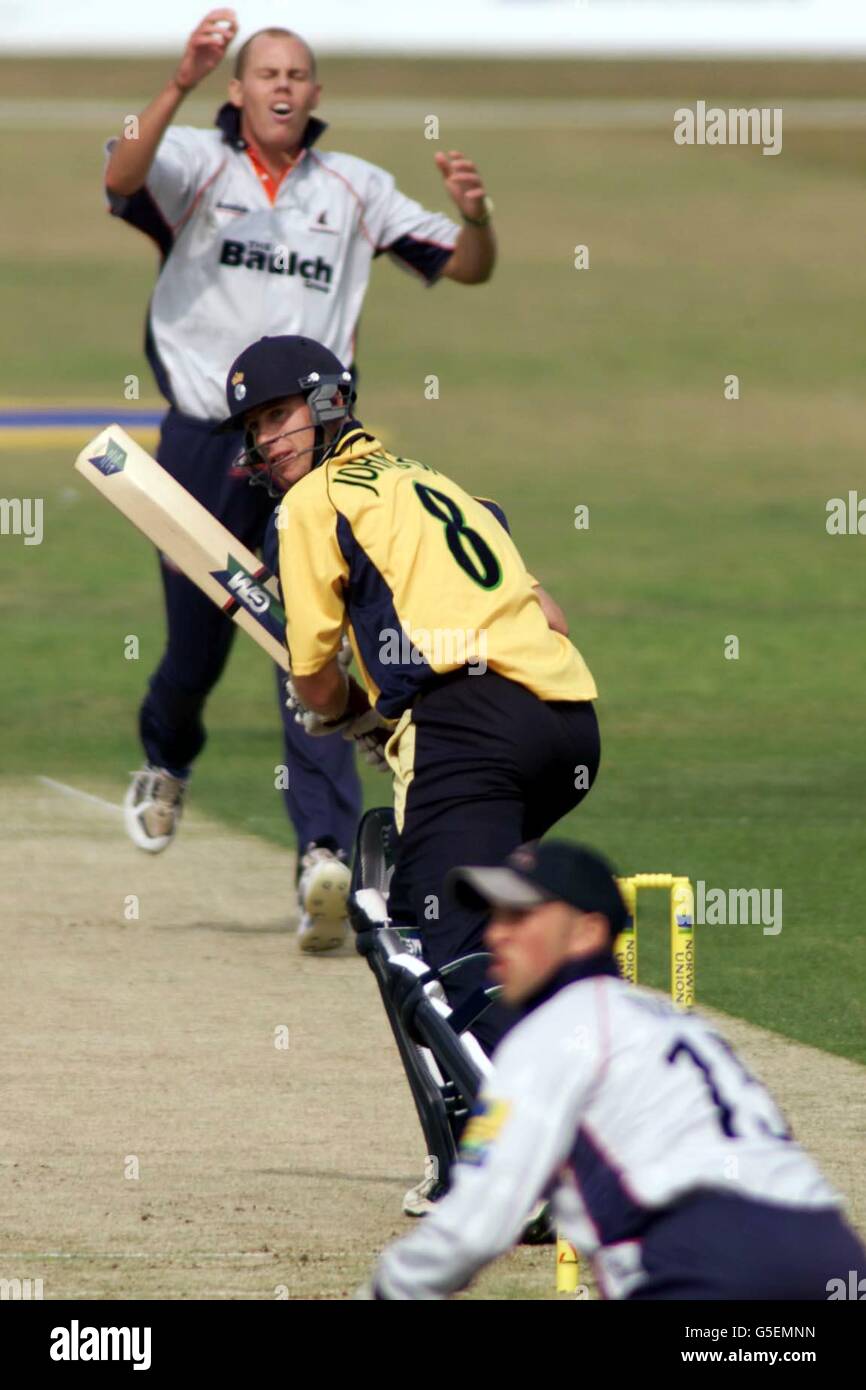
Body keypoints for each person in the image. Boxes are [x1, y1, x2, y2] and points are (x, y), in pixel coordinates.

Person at [103, 12, 496, 952]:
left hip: (313, 454)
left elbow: (468, 268)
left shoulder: (356, 188)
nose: (283, 85)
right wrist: (180, 80)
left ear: (316, 95)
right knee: (195, 655)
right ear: (240, 90)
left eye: (299, 73)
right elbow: (119, 176)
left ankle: (322, 856)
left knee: (306, 645)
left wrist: (477, 214)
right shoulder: (197, 162)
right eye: (266, 72)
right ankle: (167, 757)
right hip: (204, 439)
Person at [217, 333, 600, 1056]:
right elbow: (552, 617)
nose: (267, 440)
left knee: (434, 951)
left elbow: (311, 675)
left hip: (469, 732)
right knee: (499, 934)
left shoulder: (310, 503)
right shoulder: (437, 483)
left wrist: (338, 712)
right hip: (568, 724)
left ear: (328, 401)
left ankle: (518, 1151)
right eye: (256, 426)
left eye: (277, 415)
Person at [362, 840, 866, 1300]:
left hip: (708, 1274)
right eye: (495, 915)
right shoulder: (676, 1023)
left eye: (521, 915)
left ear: (587, 932)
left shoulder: (555, 1032)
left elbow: (476, 1223)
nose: (497, 933)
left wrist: (385, 1290)